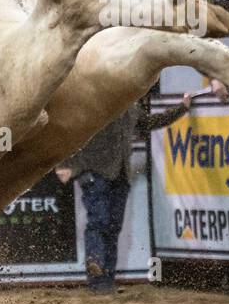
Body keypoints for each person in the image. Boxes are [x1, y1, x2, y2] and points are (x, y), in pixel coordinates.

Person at [55, 95, 194, 293]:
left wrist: (181, 108)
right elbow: (73, 131)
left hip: (115, 174)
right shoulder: (101, 102)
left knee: (109, 226)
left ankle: (103, 279)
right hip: (99, 172)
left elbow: (149, 122)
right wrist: (70, 165)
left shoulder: (129, 104)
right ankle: (98, 272)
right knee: (101, 223)